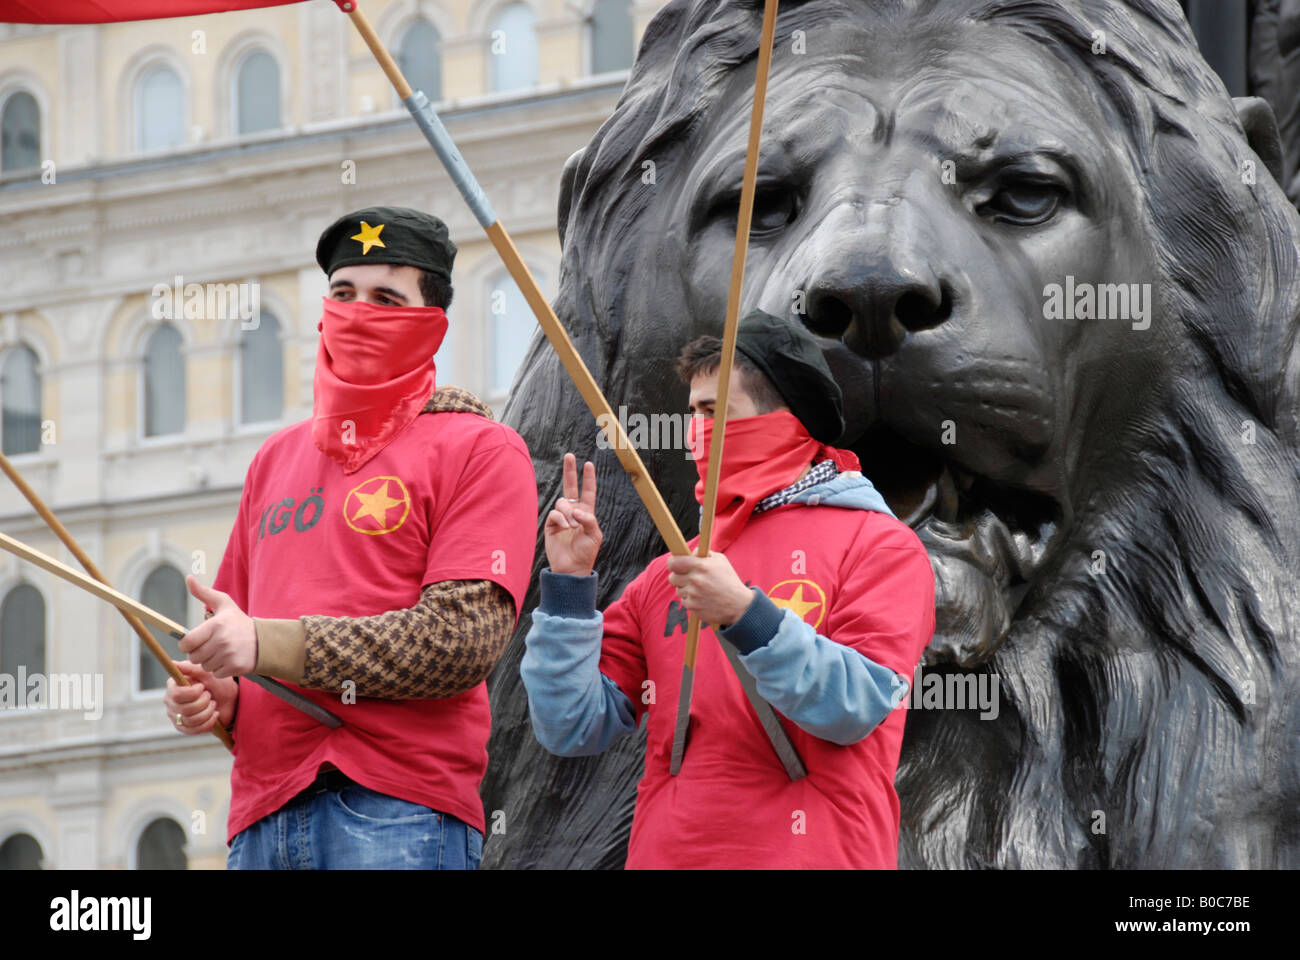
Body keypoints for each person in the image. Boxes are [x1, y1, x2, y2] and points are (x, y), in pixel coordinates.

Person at [162, 206, 538, 870]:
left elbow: (460, 640)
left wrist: (265, 644)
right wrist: (221, 697)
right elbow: (242, 645)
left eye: (386, 298)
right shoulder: (273, 461)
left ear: (431, 325)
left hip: (400, 810)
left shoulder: (481, 449)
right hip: (261, 816)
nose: (358, 312)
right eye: (343, 294)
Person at [520, 309, 935, 868]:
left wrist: (746, 615)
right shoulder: (670, 567)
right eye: (691, 412)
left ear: (787, 418)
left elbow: (855, 707)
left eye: (715, 410)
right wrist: (569, 587)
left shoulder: (879, 544)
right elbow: (572, 726)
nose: (696, 431)